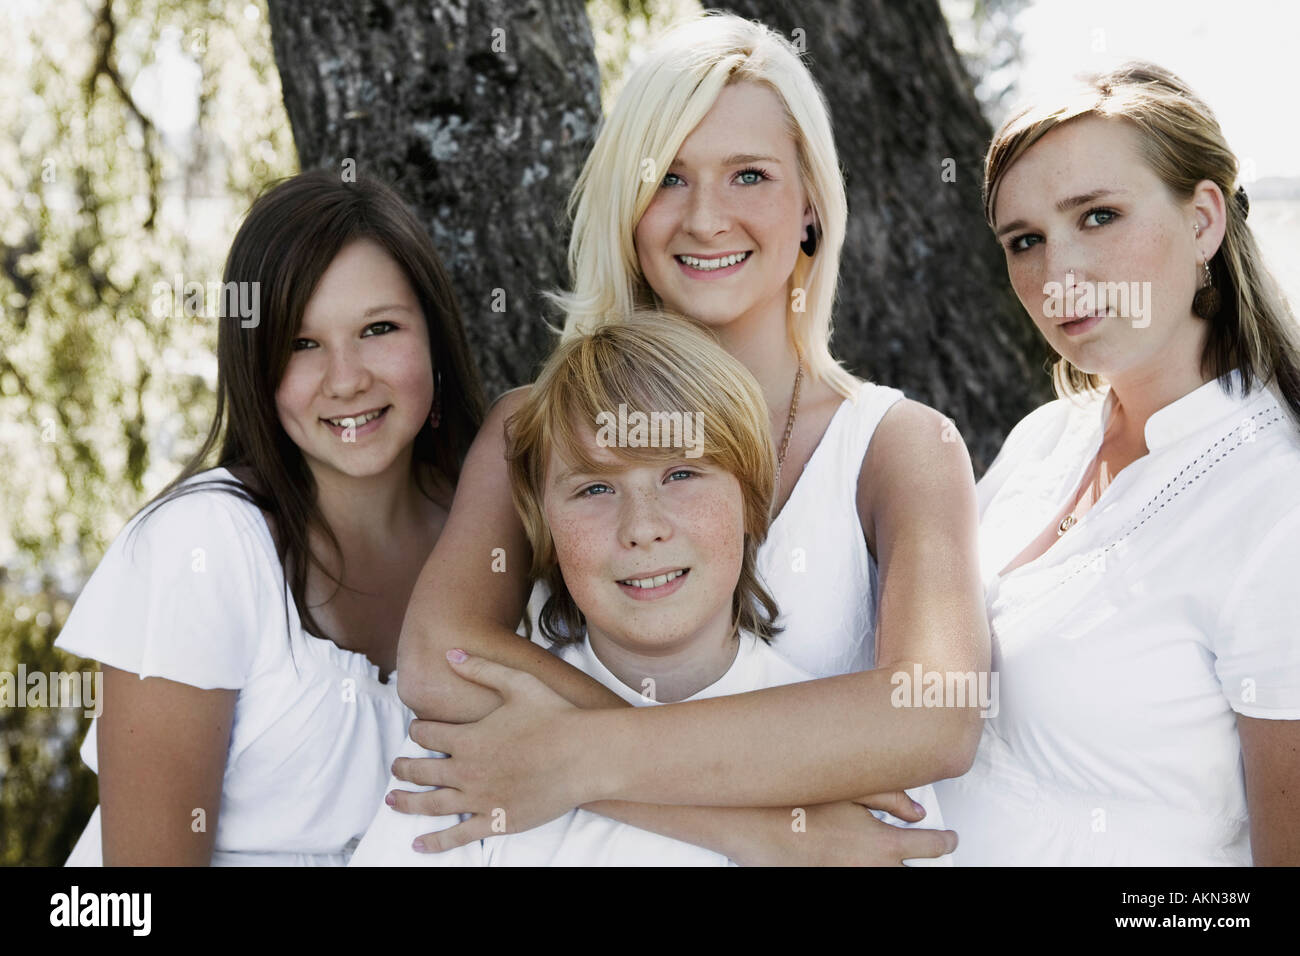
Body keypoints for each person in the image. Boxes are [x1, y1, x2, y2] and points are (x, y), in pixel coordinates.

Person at [389, 12, 988, 865]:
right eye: (668, 177)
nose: (707, 218)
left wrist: (571, 755)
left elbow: (936, 710)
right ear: (625, 206)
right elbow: (438, 660)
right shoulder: (534, 426)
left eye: (749, 174)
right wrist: (773, 832)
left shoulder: (899, 446)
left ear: (812, 205)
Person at [351, 312, 947, 866]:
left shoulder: (861, 787)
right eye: (594, 489)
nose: (642, 528)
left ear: (750, 498)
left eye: (681, 474)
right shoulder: (476, 759)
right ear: (544, 526)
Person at [54, 170, 485, 865]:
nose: (346, 379)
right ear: (254, 363)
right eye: (300, 343)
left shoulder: (492, 525)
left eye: (379, 329)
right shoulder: (199, 549)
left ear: (434, 337)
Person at [933, 62, 1300, 866]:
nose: (1056, 275)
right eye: (1023, 241)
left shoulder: (1278, 508)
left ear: (1204, 220)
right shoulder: (1045, 438)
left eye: (1098, 216)